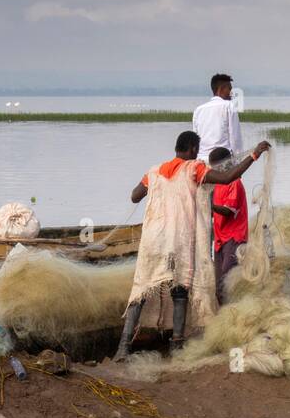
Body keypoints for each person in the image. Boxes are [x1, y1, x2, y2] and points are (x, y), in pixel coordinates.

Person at [114, 130, 270, 361]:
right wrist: (255, 154)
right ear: (194, 149)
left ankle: (123, 349)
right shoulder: (194, 169)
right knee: (181, 287)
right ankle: (177, 345)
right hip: (179, 239)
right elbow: (228, 177)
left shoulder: (154, 171)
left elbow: (135, 196)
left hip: (154, 240)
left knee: (141, 289)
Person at [209, 146, 249, 302]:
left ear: (225, 164)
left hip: (234, 238)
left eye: (216, 166)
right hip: (219, 240)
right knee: (219, 283)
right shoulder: (217, 184)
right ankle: (224, 315)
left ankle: (234, 311)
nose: (214, 170)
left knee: (227, 278)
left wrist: (209, 206)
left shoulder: (235, 183)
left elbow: (227, 211)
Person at [192, 73, 243, 165]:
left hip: (202, 162)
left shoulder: (198, 110)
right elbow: (235, 139)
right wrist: (237, 164)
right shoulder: (229, 106)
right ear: (221, 89)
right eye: (230, 89)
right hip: (222, 161)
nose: (231, 93)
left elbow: (195, 140)